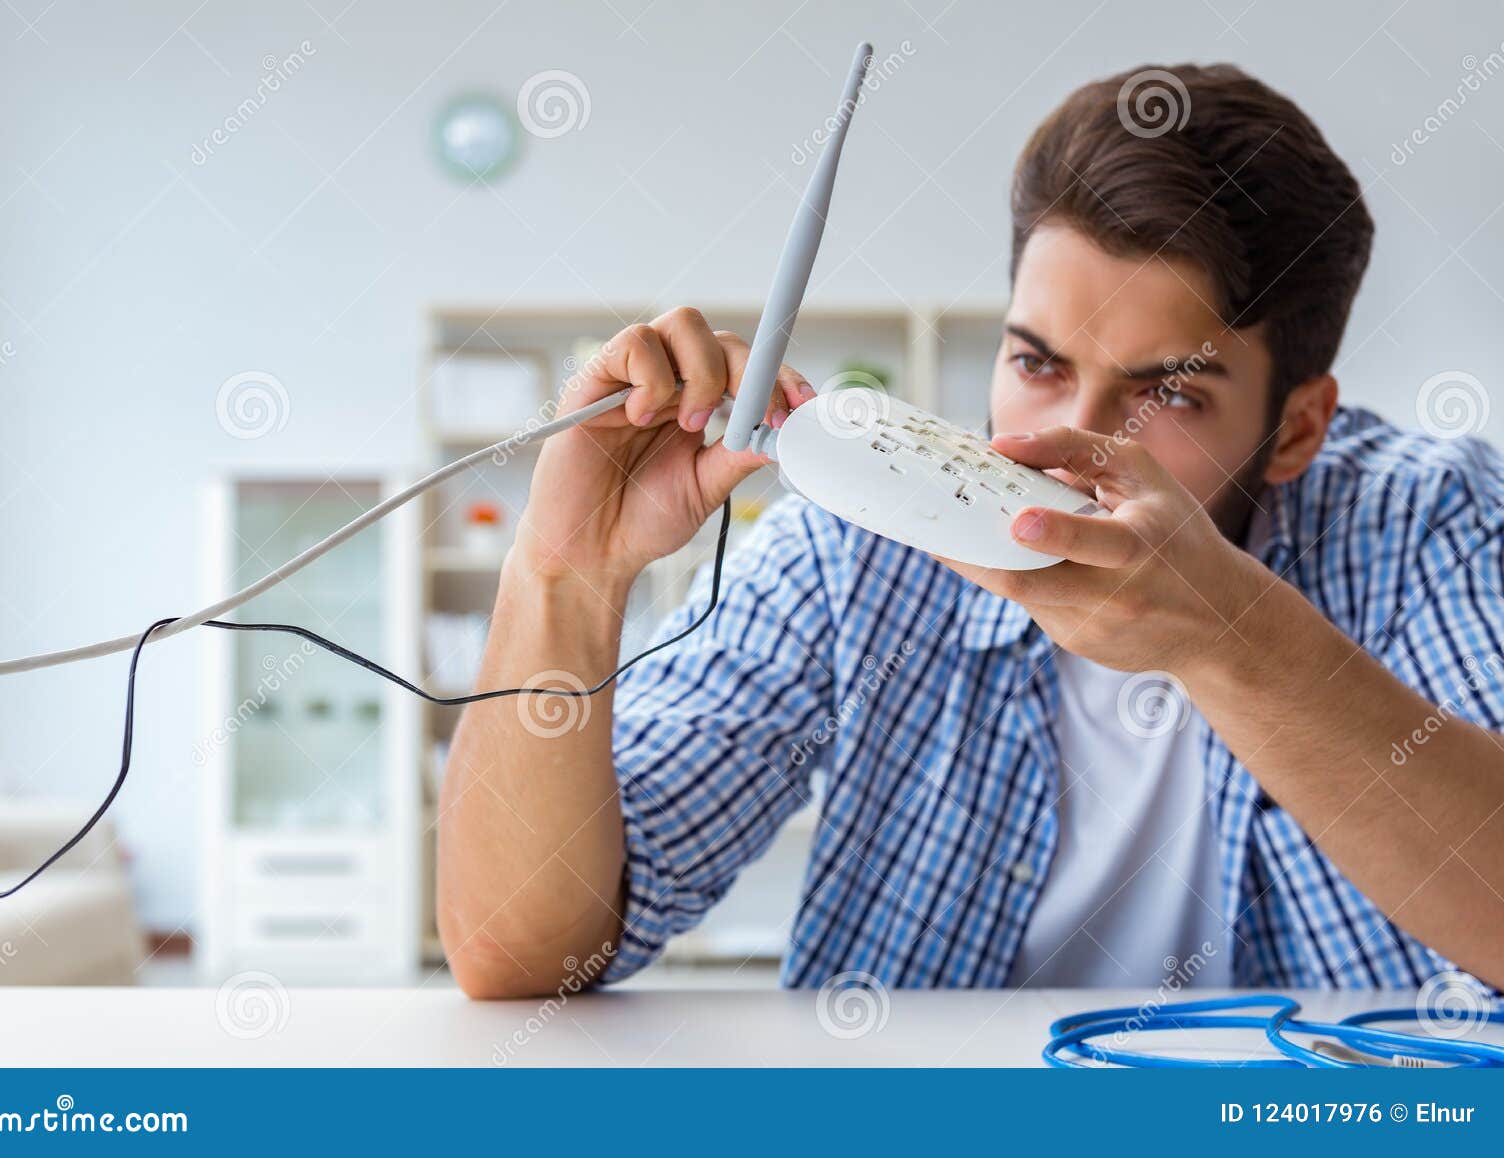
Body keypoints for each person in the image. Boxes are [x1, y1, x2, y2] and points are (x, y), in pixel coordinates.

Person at [437, 63, 1504, 997]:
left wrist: (1229, 636)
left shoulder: (1419, 522)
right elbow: (520, 958)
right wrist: (566, 573)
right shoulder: (861, 549)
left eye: (1167, 394)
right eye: (1036, 363)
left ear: (1297, 428)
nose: (1074, 443)